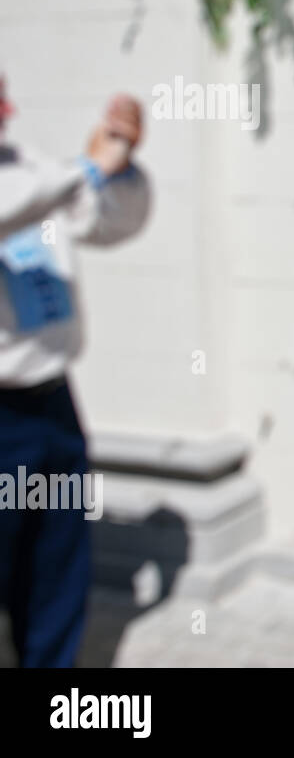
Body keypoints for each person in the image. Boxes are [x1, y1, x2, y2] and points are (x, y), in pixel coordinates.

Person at [0, 77, 151, 667]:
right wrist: (86, 169)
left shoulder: (31, 168)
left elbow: (106, 221)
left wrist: (117, 165)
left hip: (53, 407)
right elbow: (24, 204)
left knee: (56, 565)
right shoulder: (42, 182)